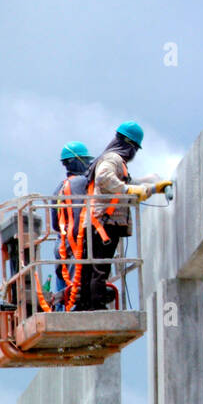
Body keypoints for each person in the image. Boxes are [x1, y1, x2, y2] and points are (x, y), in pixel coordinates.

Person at [80, 121, 170, 310]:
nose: (134, 154)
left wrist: (152, 186)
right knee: (99, 267)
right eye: (134, 148)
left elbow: (128, 185)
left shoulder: (116, 162)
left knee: (94, 267)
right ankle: (95, 307)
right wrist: (130, 188)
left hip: (103, 222)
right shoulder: (112, 159)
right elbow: (105, 179)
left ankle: (87, 304)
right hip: (104, 223)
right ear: (128, 145)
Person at [50, 141, 94, 310]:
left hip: (61, 243)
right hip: (75, 243)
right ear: (76, 161)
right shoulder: (83, 183)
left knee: (63, 286)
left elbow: (55, 224)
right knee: (75, 287)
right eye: (85, 160)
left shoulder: (59, 188)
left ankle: (61, 314)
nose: (88, 164)